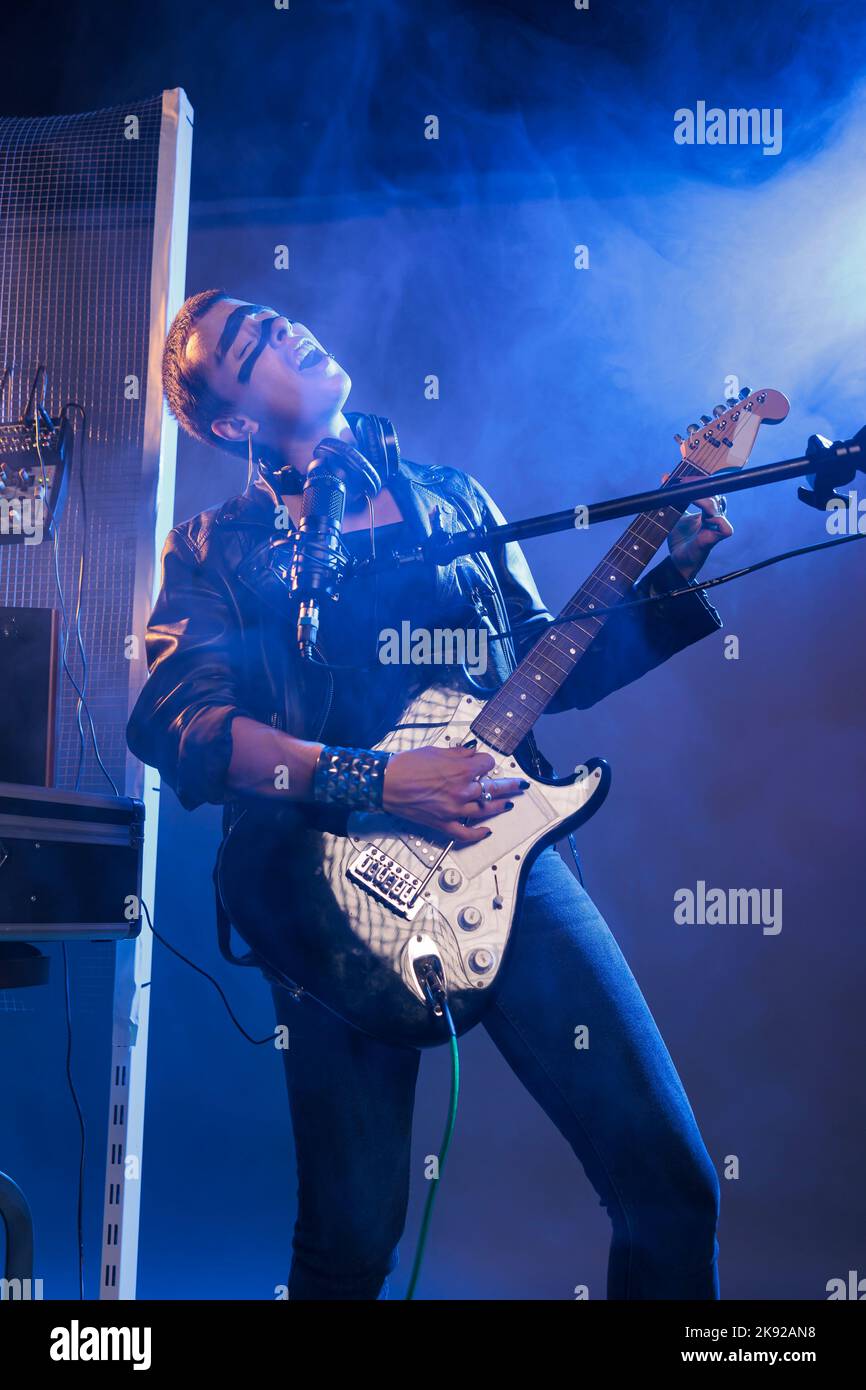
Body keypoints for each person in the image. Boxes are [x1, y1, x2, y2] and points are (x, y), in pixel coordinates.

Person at [127, 289, 733, 1299]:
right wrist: (378, 780)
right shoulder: (212, 550)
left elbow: (553, 669)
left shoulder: (452, 497)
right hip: (328, 896)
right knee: (351, 1240)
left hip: (509, 856)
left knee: (670, 1192)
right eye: (251, 343)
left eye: (276, 317)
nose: (284, 329)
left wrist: (668, 576)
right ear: (232, 421)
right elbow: (183, 728)